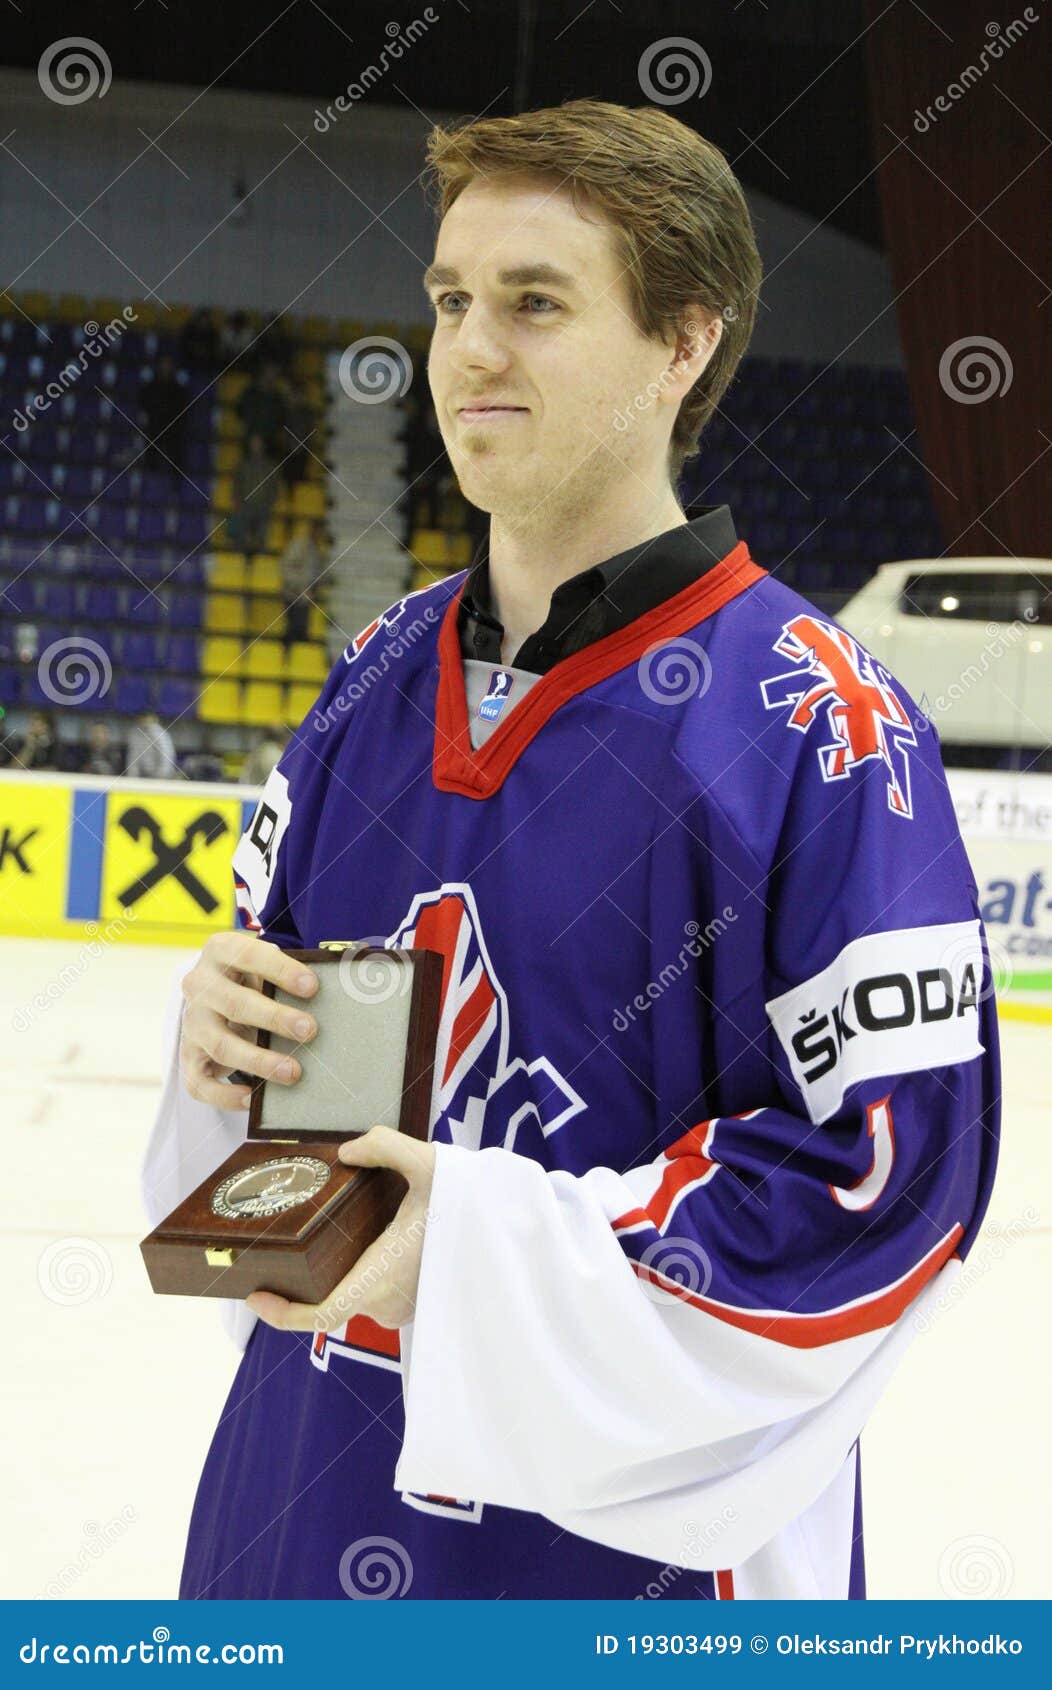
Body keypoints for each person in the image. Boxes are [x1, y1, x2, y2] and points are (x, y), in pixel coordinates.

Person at [144, 100, 1000, 1601]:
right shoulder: (369, 676)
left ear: (684, 345)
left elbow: (887, 1185)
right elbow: (280, 1087)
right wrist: (222, 1036)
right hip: (296, 1504)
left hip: (628, 1582)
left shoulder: (825, 725)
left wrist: (471, 1254)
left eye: (535, 303)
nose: (470, 348)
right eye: (452, 299)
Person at [226, 435, 277, 559]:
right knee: (241, 537)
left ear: (263, 445)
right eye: (253, 443)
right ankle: (237, 562)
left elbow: (274, 488)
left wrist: (269, 503)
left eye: (258, 442)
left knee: (261, 537)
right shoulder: (243, 465)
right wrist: (237, 500)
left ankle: (260, 563)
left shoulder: (270, 466)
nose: (256, 446)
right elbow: (236, 484)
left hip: (263, 507)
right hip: (245, 505)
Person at [137, 354, 187, 474]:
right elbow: (144, 403)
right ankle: (151, 475)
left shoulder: (177, 388)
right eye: (163, 364)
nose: (165, 367)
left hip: (173, 426)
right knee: (152, 447)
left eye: (168, 365)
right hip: (155, 424)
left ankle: (175, 483)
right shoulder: (151, 386)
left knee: (176, 450)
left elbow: (183, 407)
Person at [278, 521, 324, 648]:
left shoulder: (315, 549)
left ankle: (298, 655)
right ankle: (287, 655)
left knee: (302, 629)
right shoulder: (299, 545)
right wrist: (296, 585)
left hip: (305, 595)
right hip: (294, 593)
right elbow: (286, 566)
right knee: (292, 628)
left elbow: (314, 572)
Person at [236, 363, 286, 460]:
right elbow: (241, 413)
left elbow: (281, 421)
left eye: (275, 372)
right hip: (250, 440)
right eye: (270, 371)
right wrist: (253, 435)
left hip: (271, 444)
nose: (272, 375)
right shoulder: (249, 393)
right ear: (263, 372)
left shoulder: (278, 398)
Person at [125, 708, 177, 779]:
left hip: (160, 777)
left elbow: (166, 761)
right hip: (142, 776)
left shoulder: (161, 735)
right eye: (142, 718)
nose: (145, 721)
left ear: (154, 719)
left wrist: (159, 779)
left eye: (147, 718)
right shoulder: (135, 734)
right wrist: (132, 778)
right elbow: (133, 760)